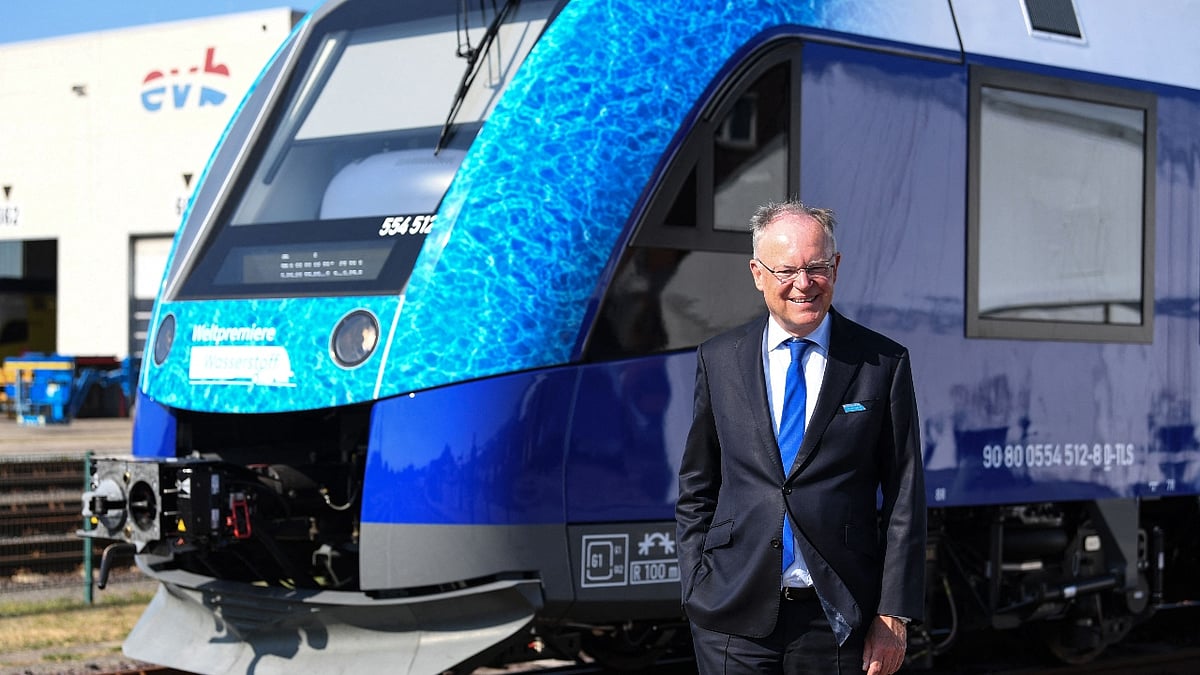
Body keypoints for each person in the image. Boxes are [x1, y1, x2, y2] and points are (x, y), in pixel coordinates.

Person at [676, 201, 925, 674]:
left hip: (837, 618)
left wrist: (893, 612)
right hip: (732, 615)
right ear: (757, 272)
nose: (804, 284)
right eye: (787, 270)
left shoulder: (882, 363)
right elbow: (697, 485)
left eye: (817, 267)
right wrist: (696, 583)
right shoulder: (720, 358)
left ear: (837, 266)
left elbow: (904, 497)